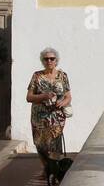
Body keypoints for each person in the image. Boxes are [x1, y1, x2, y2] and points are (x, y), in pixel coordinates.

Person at [26, 48, 72, 179]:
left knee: (55, 144)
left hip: (57, 116)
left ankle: (53, 171)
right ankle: (47, 168)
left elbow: (68, 96)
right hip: (39, 116)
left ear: (56, 61)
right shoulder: (37, 76)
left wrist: (63, 103)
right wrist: (44, 96)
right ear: (43, 61)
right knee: (40, 144)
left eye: (52, 59)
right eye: (46, 59)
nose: (49, 61)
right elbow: (29, 97)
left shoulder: (63, 76)